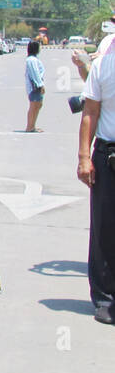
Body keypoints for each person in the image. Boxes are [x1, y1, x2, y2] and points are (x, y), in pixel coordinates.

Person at [77, 36, 115, 325]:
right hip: (108, 155)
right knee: (104, 229)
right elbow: (90, 112)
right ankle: (105, 299)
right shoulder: (103, 65)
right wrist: (84, 157)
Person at [24, 39, 45, 132]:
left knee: (38, 105)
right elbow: (35, 73)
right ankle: (29, 126)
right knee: (34, 105)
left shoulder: (33, 59)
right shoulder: (31, 60)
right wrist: (40, 85)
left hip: (36, 85)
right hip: (34, 86)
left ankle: (33, 125)